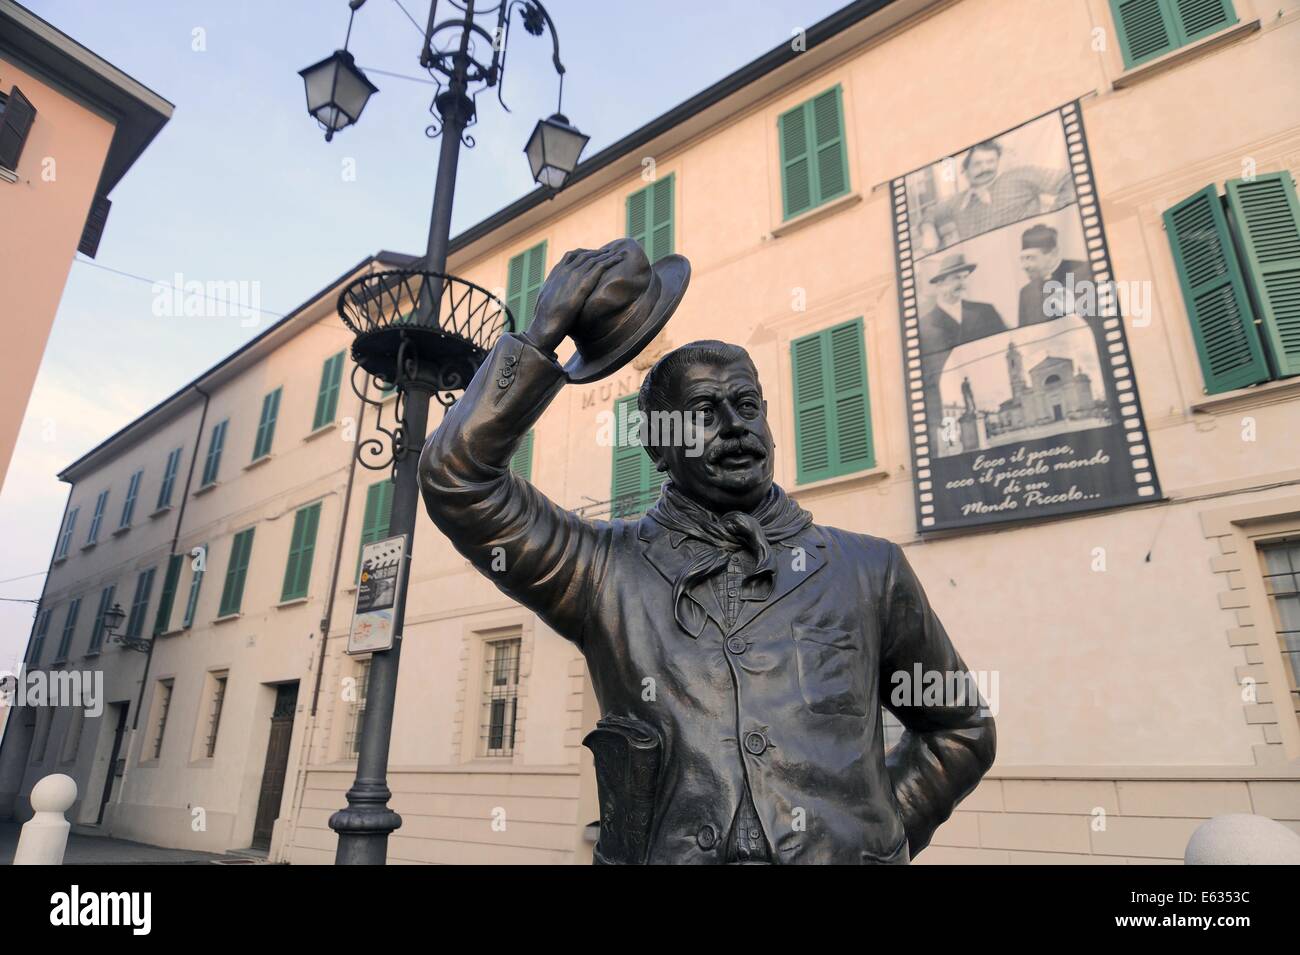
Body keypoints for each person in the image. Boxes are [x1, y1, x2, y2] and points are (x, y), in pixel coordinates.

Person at [419, 245, 995, 865]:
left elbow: (959, 728)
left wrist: (876, 837)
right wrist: (538, 340)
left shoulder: (870, 571)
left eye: (747, 406)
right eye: (702, 412)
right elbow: (460, 481)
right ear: (659, 450)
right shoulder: (600, 570)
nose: (733, 424)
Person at [922, 138, 1075, 249]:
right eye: (977, 164)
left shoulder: (1020, 176)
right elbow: (930, 213)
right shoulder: (956, 202)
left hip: (1029, 258)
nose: (985, 168)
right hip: (988, 271)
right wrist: (928, 231)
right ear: (965, 170)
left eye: (991, 162)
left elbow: (1069, 180)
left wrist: (1055, 216)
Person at [1016, 223, 1094, 327]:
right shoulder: (1026, 293)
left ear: (1053, 254)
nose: (1024, 266)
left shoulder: (1085, 274)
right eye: (1022, 259)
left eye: (1030, 258)